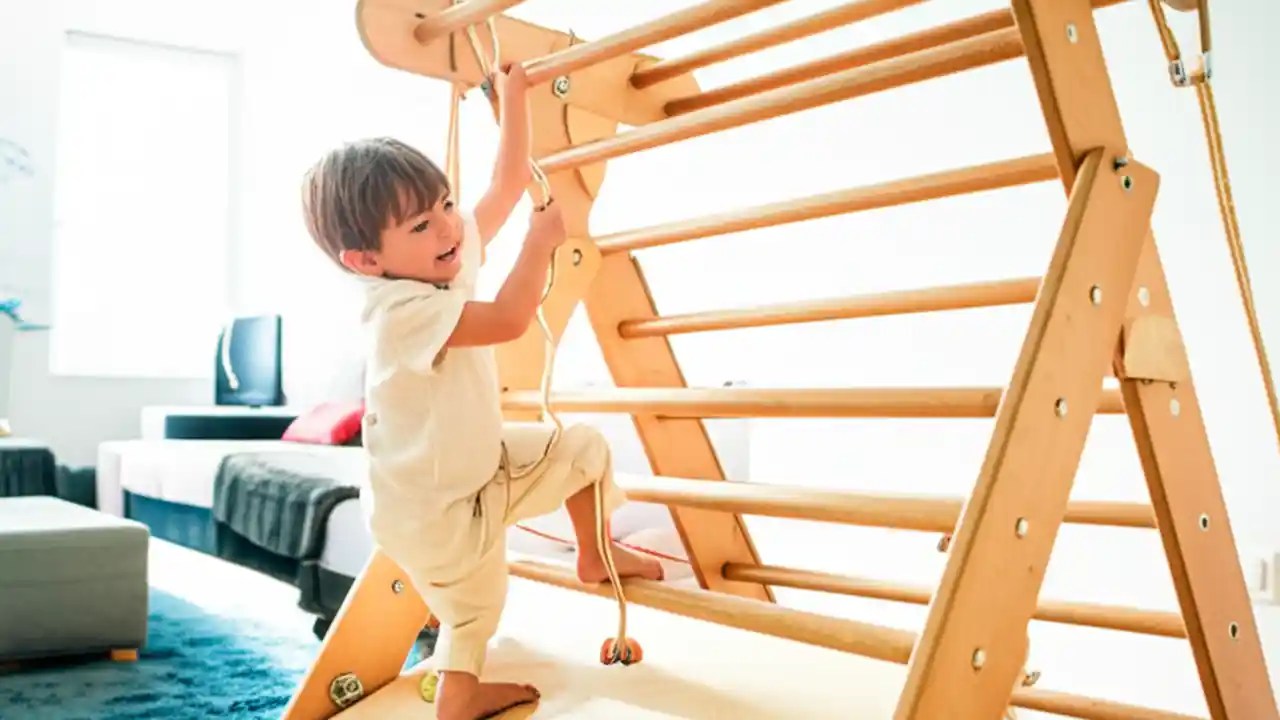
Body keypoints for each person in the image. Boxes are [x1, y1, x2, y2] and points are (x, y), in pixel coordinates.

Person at [299, 64, 663, 720]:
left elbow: (504, 184)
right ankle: (458, 695)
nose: (449, 229)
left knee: (580, 448)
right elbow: (508, 320)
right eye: (421, 226)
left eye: (443, 206)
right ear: (365, 261)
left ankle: (593, 552)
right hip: (429, 508)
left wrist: (513, 99)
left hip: (476, 467)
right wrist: (536, 246)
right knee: (477, 602)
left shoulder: (436, 255)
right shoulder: (398, 310)